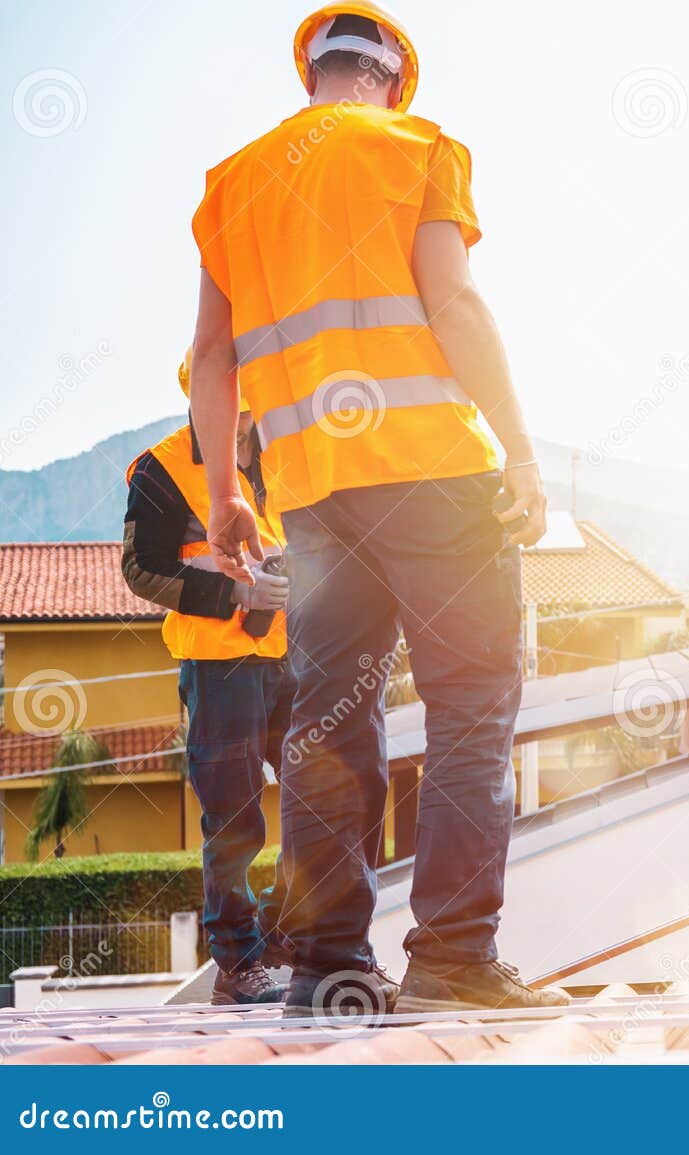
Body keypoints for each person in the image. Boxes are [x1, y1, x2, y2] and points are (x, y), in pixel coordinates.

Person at [187, 1, 564, 1018]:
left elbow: (213, 357)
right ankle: (451, 954)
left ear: (312, 72)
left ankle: (325, 966)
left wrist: (227, 493)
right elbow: (454, 302)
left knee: (326, 726)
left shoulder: (231, 185)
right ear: (392, 78)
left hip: (311, 499)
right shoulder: (419, 146)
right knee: (471, 704)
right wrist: (521, 452)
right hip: (436, 474)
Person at [122, 349, 294, 1004]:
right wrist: (231, 595)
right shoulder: (162, 467)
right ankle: (238, 960)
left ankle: (286, 937)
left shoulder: (283, 456)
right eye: (232, 401)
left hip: (291, 654)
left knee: (324, 796)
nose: (244, 415)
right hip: (218, 663)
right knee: (233, 817)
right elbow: (142, 567)